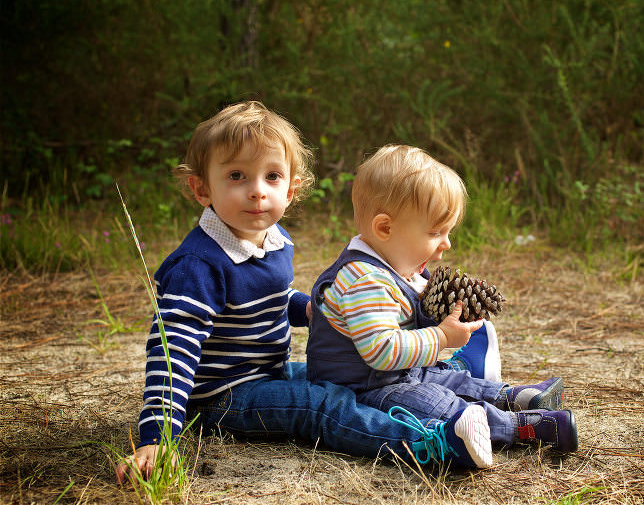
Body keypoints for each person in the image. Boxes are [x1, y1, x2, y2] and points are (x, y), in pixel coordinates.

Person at [116, 102, 500, 484]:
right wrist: (157, 438)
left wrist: (308, 310)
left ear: (291, 188)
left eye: (272, 177)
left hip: (269, 373)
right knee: (321, 406)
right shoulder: (197, 267)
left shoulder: (274, 240)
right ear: (202, 188)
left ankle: (457, 381)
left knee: (342, 381)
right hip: (221, 396)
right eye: (237, 175)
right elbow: (172, 351)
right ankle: (427, 443)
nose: (257, 192)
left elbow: (270, 300)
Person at [306, 145, 578, 466]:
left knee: (451, 379)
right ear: (385, 228)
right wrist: (443, 337)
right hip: (361, 388)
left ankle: (513, 397)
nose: (446, 243)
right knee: (439, 405)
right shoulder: (364, 280)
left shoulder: (397, 269)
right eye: (435, 232)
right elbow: (382, 350)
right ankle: (523, 428)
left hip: (398, 374)